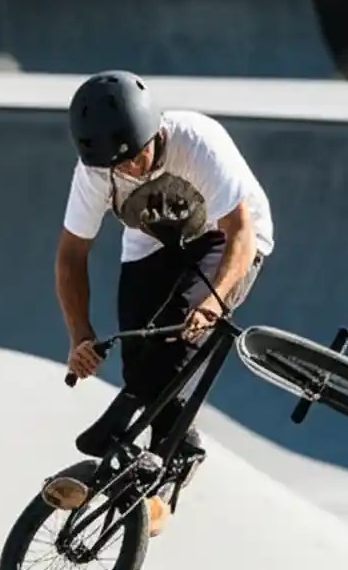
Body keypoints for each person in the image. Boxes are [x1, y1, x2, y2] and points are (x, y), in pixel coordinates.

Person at [44, 70, 276, 536]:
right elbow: (71, 257)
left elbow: (240, 234)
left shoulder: (199, 141)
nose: (130, 171)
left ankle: (160, 486)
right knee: (139, 353)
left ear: (153, 132)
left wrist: (212, 305)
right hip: (152, 245)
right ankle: (166, 453)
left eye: (137, 158)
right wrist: (80, 336)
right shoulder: (95, 171)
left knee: (177, 335)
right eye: (119, 167)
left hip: (224, 239)